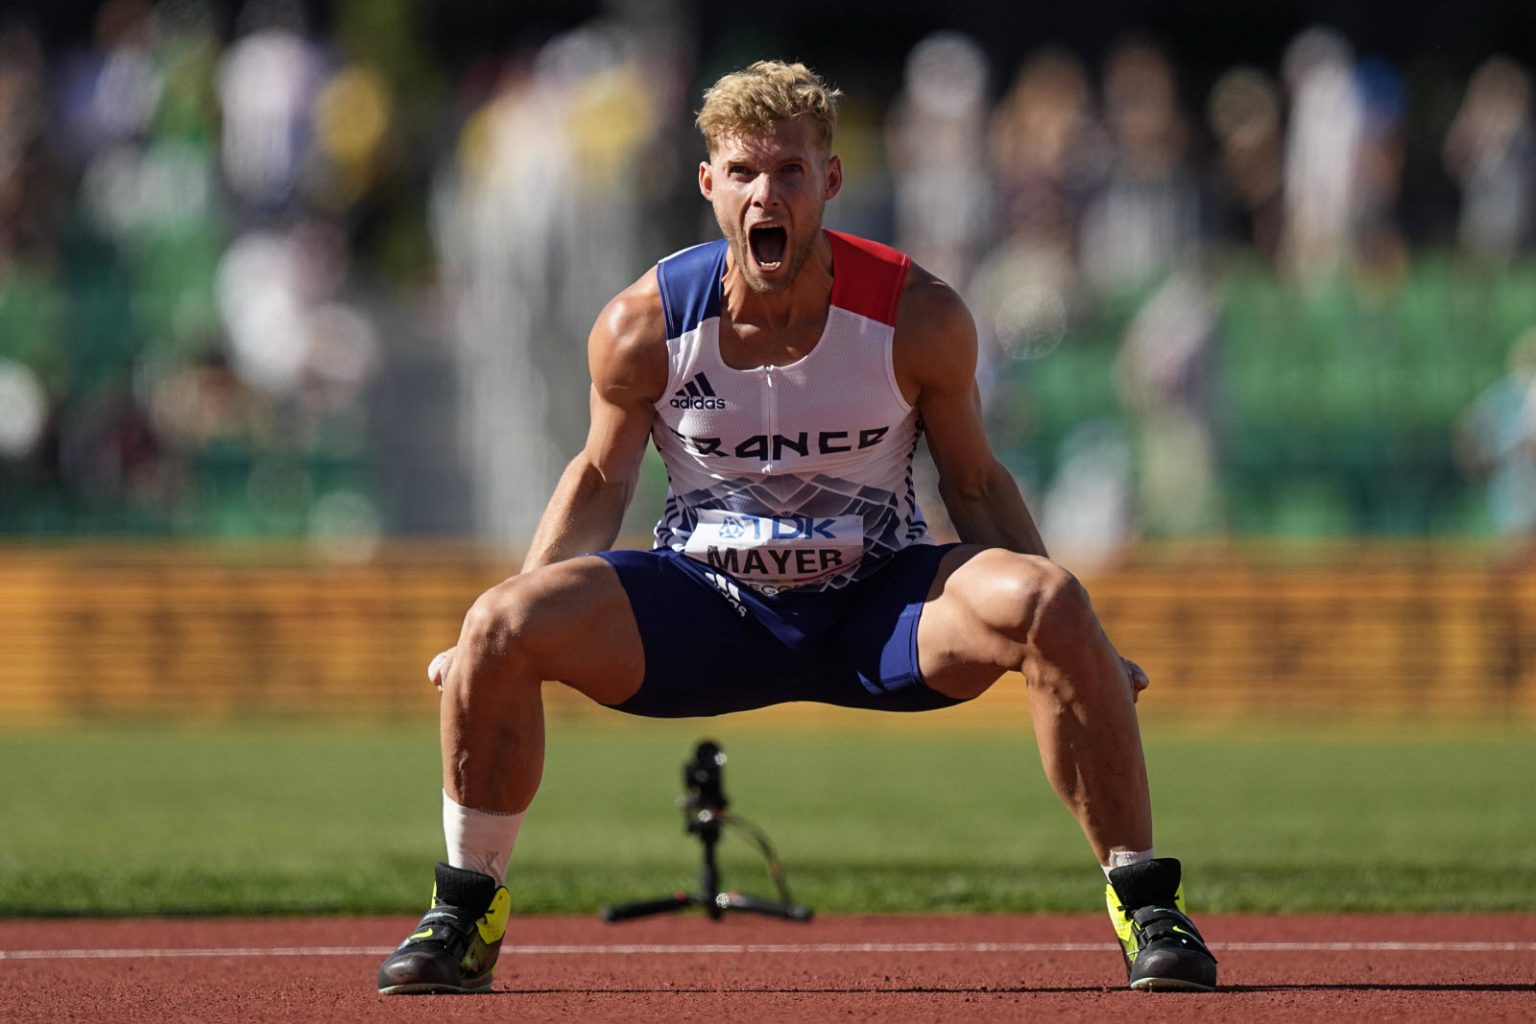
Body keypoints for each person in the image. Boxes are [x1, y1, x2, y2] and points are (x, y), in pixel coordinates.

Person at [375, 59, 1217, 995]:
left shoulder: (916, 315)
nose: (764, 194)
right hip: (706, 603)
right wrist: (514, 603)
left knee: (1049, 599)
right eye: (742, 173)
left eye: (788, 172)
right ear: (708, 185)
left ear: (831, 181)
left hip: (878, 603)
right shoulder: (641, 325)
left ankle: (1145, 903)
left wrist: (1081, 640)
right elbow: (603, 474)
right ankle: (465, 910)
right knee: (495, 624)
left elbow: (973, 482)